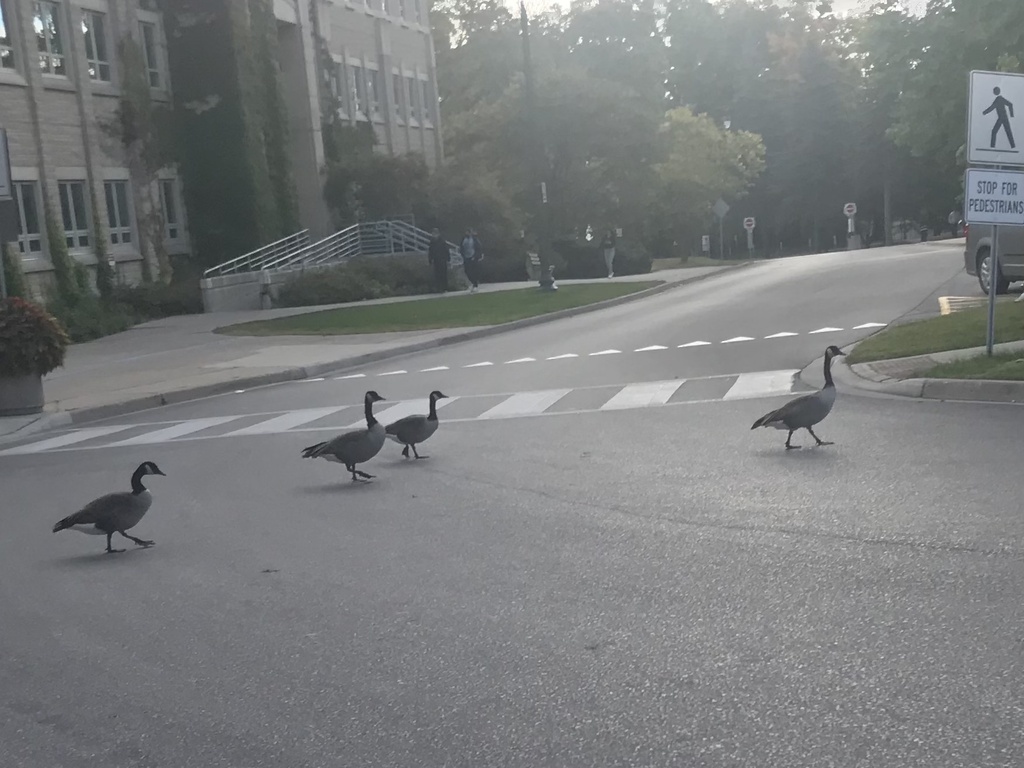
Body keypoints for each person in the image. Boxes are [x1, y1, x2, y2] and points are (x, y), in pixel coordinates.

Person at [427, 228, 449, 292]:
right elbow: (430, 251)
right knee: (437, 275)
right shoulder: (432, 242)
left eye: (435, 234)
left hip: (442, 260)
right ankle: (439, 288)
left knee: (443, 274)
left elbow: (446, 250)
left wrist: (448, 259)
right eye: (433, 234)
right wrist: (430, 259)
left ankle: (444, 288)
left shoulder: (442, 241)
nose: (434, 235)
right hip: (436, 260)